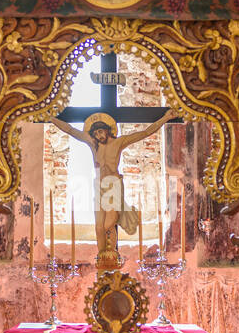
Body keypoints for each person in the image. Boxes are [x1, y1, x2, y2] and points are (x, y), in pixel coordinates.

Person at [52, 108, 173, 265]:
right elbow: (71, 130)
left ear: (108, 130)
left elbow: (145, 133)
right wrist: (51, 119)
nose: (99, 136)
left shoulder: (119, 142)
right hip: (99, 185)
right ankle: (102, 259)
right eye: (95, 134)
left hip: (113, 185)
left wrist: (165, 119)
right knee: (99, 228)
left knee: (110, 224)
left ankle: (113, 255)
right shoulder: (93, 144)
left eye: (101, 132)